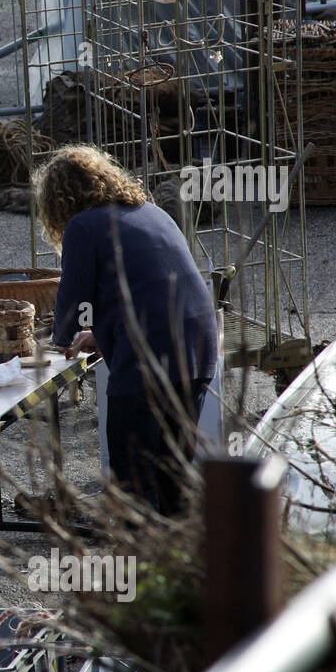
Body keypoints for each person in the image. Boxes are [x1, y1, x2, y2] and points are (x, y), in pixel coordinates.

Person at [34, 145, 218, 516]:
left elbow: (73, 300)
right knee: (173, 474)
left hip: (147, 360)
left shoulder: (83, 226)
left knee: (133, 478)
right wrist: (103, 335)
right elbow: (147, 287)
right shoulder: (151, 211)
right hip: (198, 346)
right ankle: (181, 549)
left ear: (58, 201)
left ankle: (143, 549)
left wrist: (59, 339)